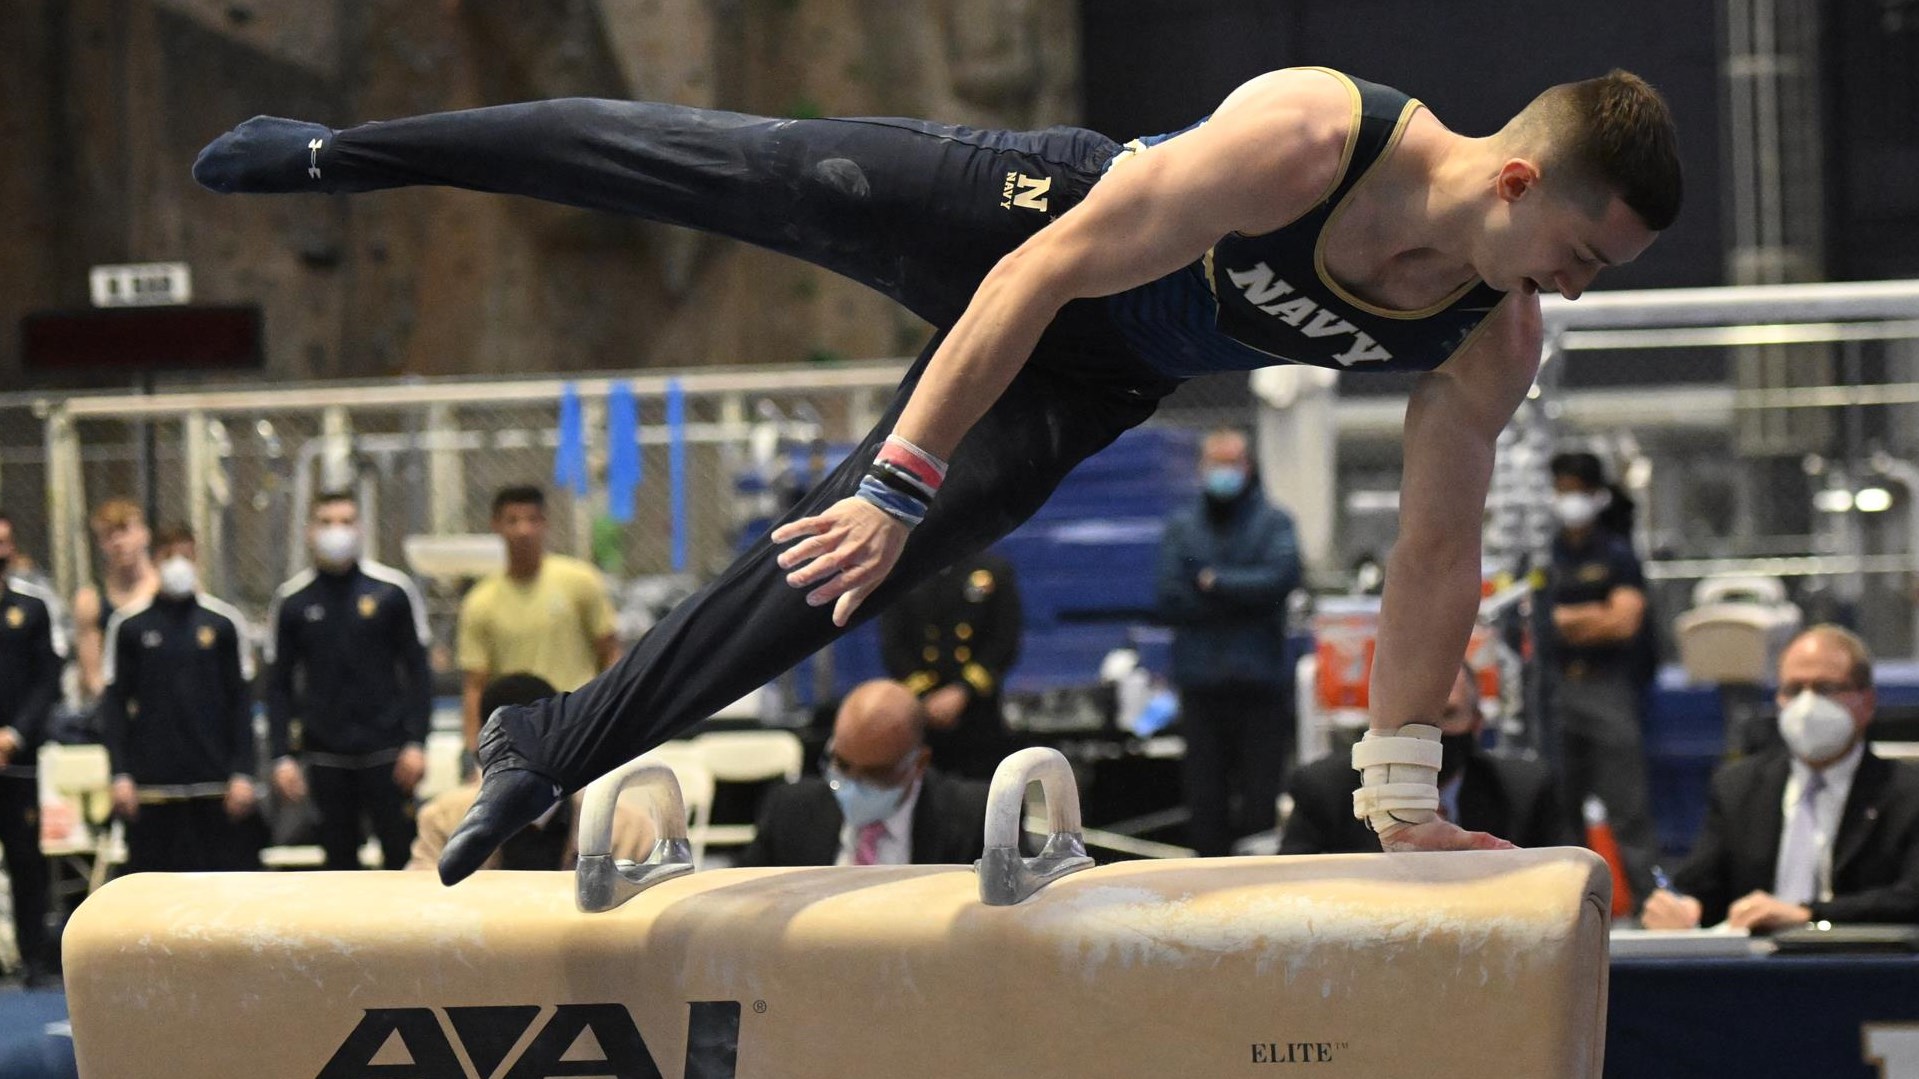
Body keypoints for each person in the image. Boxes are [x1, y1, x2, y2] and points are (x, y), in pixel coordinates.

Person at [194, 65, 1679, 879]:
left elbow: (1430, 552)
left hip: (1091, 373)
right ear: (1511, 178)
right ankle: (347, 150)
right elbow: (1040, 267)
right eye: (1582, 253)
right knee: (715, 165)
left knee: (841, 580)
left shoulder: (1490, 336)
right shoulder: (1309, 137)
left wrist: (1401, 783)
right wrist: (895, 473)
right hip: (1011, 219)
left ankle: (546, 740)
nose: (1575, 289)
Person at [1641, 626, 1919, 931]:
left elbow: (1909, 898)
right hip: (1756, 968)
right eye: (1794, 690)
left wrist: (1809, 915)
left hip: (1863, 966)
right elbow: (1700, 885)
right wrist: (1682, 907)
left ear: (1867, 702)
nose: (1807, 705)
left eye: (1825, 688)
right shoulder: (1739, 787)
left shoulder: (1906, 793)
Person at [266, 491, 433, 870]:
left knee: (401, 858)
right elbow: (278, 685)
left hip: (390, 756)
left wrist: (416, 741)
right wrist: (281, 756)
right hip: (325, 757)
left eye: (345, 521)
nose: (335, 531)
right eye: (326, 522)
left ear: (360, 529)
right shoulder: (292, 601)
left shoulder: (392, 591)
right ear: (310, 532)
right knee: (338, 865)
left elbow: (418, 673)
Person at [1156, 427, 1302, 856]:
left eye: (1231, 463)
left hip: (1261, 685)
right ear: (1202, 469)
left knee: (1261, 796)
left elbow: (1280, 582)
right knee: (1205, 799)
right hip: (1201, 686)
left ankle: (1258, 887)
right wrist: (1245, 598)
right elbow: (1169, 597)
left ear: (1247, 467)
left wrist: (1213, 583)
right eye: (1215, 463)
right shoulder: (1182, 528)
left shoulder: (1275, 522)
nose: (1224, 473)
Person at [99, 526, 262, 873]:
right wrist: (120, 774)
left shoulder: (223, 623)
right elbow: (114, 706)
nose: (178, 565)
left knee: (221, 884)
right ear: (155, 561)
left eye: (186, 557)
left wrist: (244, 772)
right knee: (153, 888)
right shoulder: (128, 626)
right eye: (169, 557)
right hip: (152, 788)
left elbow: (240, 703)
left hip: (216, 786)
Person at [1281, 664, 1574, 855]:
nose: (1431, 736)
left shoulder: (1524, 791)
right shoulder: (1323, 789)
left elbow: (1572, 891)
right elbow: (1287, 900)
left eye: (1447, 715)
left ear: (1477, 723)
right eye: (1413, 722)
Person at [1544, 450, 1658, 899]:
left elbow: (1624, 622)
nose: (1568, 501)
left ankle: (1653, 903)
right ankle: (1569, 904)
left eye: (1577, 491)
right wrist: (1592, 614)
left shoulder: (1616, 553)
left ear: (1596, 496)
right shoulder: (1546, 553)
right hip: (1556, 690)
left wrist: (1563, 619)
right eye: (1561, 491)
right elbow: (1531, 620)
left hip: (1606, 689)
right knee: (1562, 808)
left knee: (1628, 807)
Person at [409, 673, 655, 872]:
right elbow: (418, 912)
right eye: (505, 749)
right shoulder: (443, 822)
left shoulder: (628, 831)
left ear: (564, 743)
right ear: (482, 749)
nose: (521, 765)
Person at [739, 680, 989, 867]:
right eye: (842, 765)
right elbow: (739, 909)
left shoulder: (975, 817)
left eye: (877, 773)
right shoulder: (791, 810)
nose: (854, 785)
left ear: (919, 763)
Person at [455, 485, 618, 753]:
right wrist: (472, 748)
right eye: (513, 521)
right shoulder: (480, 601)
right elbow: (475, 684)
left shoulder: (580, 581)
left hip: (579, 728)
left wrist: (611, 714)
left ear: (544, 523)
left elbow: (610, 653)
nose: (523, 530)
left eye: (532, 520)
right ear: (496, 525)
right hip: (515, 736)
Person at [878, 548, 1022, 780]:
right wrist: (927, 696)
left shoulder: (993, 570)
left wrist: (962, 691)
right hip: (921, 712)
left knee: (985, 796)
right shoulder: (902, 573)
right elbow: (893, 644)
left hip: (978, 712)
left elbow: (1004, 640)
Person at [0, 511, 66, 985]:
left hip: (17, 762)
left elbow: (47, 682)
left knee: (26, 862)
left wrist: (14, 734)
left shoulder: (32, 609)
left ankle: (35, 962)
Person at [71, 499, 159, 705]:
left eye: (125, 530)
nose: (118, 541)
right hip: (115, 703)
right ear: (101, 543)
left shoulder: (167, 593)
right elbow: (92, 675)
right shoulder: (90, 600)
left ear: (145, 534)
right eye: (109, 535)